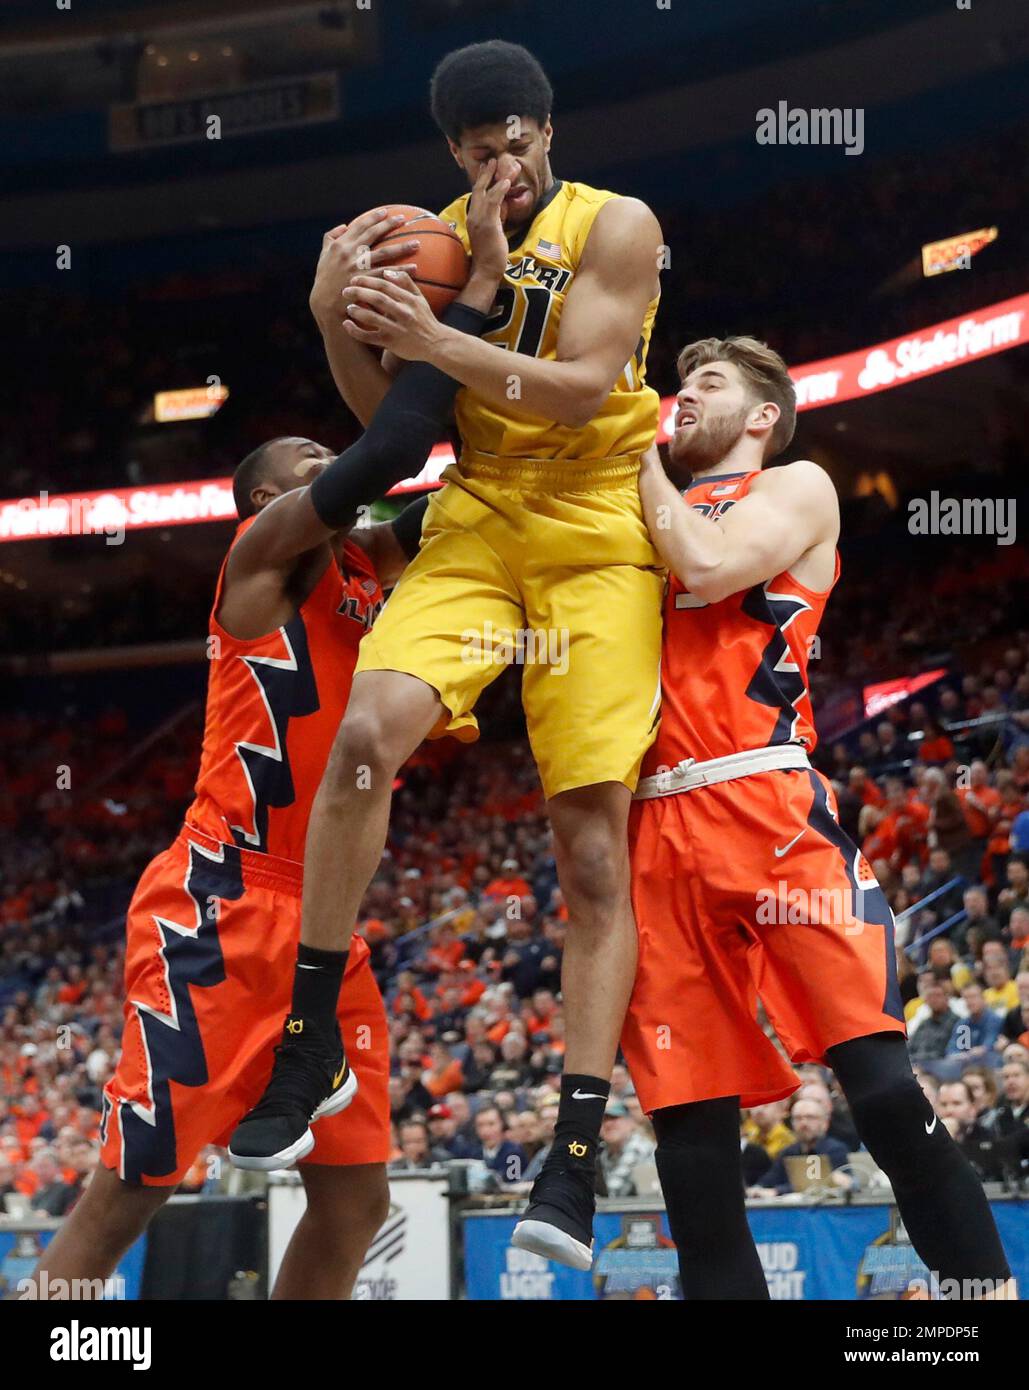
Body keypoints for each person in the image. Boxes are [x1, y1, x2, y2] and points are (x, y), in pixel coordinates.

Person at [237, 40, 668, 1269]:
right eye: (478, 155)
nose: (502, 168)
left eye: (516, 145)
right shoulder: (424, 236)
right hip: (478, 518)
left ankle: (573, 1157)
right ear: (453, 156)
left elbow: (581, 388)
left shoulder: (617, 226)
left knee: (590, 845)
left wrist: (440, 330)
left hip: (596, 533)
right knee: (366, 735)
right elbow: (397, 429)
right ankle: (310, 1033)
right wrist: (340, 316)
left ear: (547, 130)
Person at [28, 242, 500, 1298]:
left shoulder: (375, 585)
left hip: (327, 918)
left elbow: (471, 481)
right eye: (304, 463)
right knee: (135, 1180)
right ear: (263, 501)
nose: (325, 464)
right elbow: (387, 454)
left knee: (357, 1197)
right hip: (221, 903)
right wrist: (455, 302)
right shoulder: (257, 568)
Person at [619, 334, 1013, 1298]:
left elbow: (709, 568)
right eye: (673, 387)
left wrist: (623, 437)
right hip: (648, 824)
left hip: (768, 798)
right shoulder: (634, 509)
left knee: (879, 1088)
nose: (680, 397)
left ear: (760, 415)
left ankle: (980, 1303)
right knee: (691, 1138)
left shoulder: (795, 485)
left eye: (705, 383)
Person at [749, 1098, 850, 1197]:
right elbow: (770, 1179)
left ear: (825, 1123)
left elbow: (815, 1185)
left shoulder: (835, 1150)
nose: (804, 1123)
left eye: (810, 1117)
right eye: (798, 1118)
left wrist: (778, 1191)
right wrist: (757, 1189)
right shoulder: (788, 1152)